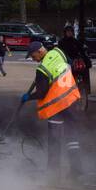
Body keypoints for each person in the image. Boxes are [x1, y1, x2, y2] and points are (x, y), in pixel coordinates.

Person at [20, 41, 82, 177]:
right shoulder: (59, 53)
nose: (32, 58)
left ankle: (53, 171)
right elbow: (68, 66)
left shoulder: (42, 69)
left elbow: (41, 93)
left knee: (54, 139)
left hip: (57, 108)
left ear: (40, 52)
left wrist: (28, 97)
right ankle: (77, 169)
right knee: (72, 137)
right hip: (71, 100)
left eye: (32, 55)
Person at [56, 25, 91, 95]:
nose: (69, 33)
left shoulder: (75, 41)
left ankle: (83, 90)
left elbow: (82, 51)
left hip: (75, 63)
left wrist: (87, 61)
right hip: (65, 62)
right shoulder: (62, 42)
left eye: (71, 31)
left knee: (82, 73)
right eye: (68, 31)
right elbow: (59, 52)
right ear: (65, 33)